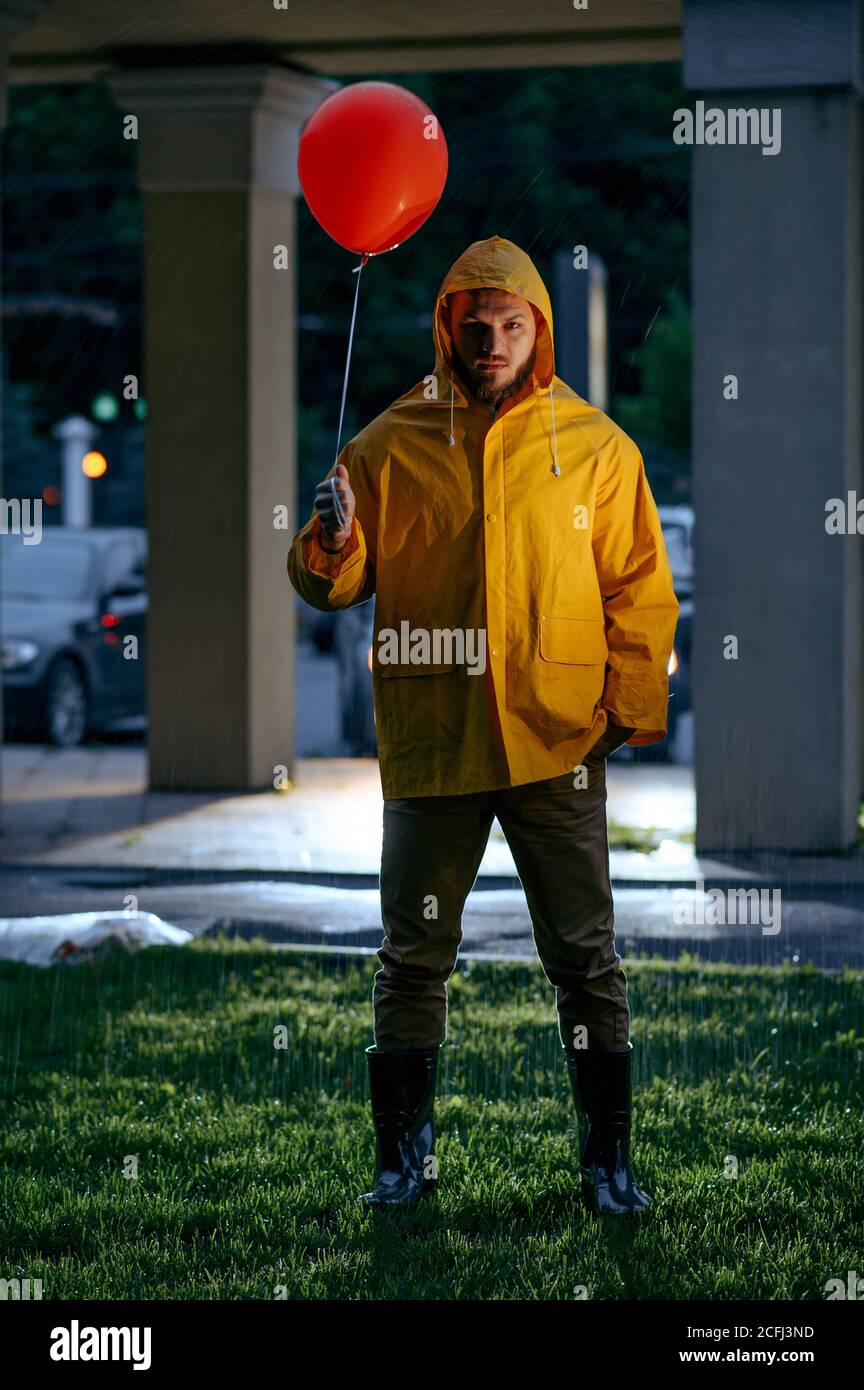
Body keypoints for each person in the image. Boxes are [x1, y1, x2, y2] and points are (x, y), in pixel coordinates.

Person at [287, 236, 679, 1216]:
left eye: (512, 324)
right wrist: (329, 541)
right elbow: (325, 577)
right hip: (433, 742)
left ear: (537, 330)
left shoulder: (596, 447)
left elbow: (638, 588)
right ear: (449, 328)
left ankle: (607, 1162)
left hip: (556, 741)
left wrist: (624, 713)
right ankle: (401, 1162)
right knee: (412, 957)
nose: (493, 338)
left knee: (586, 960)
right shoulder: (387, 442)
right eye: (477, 323)